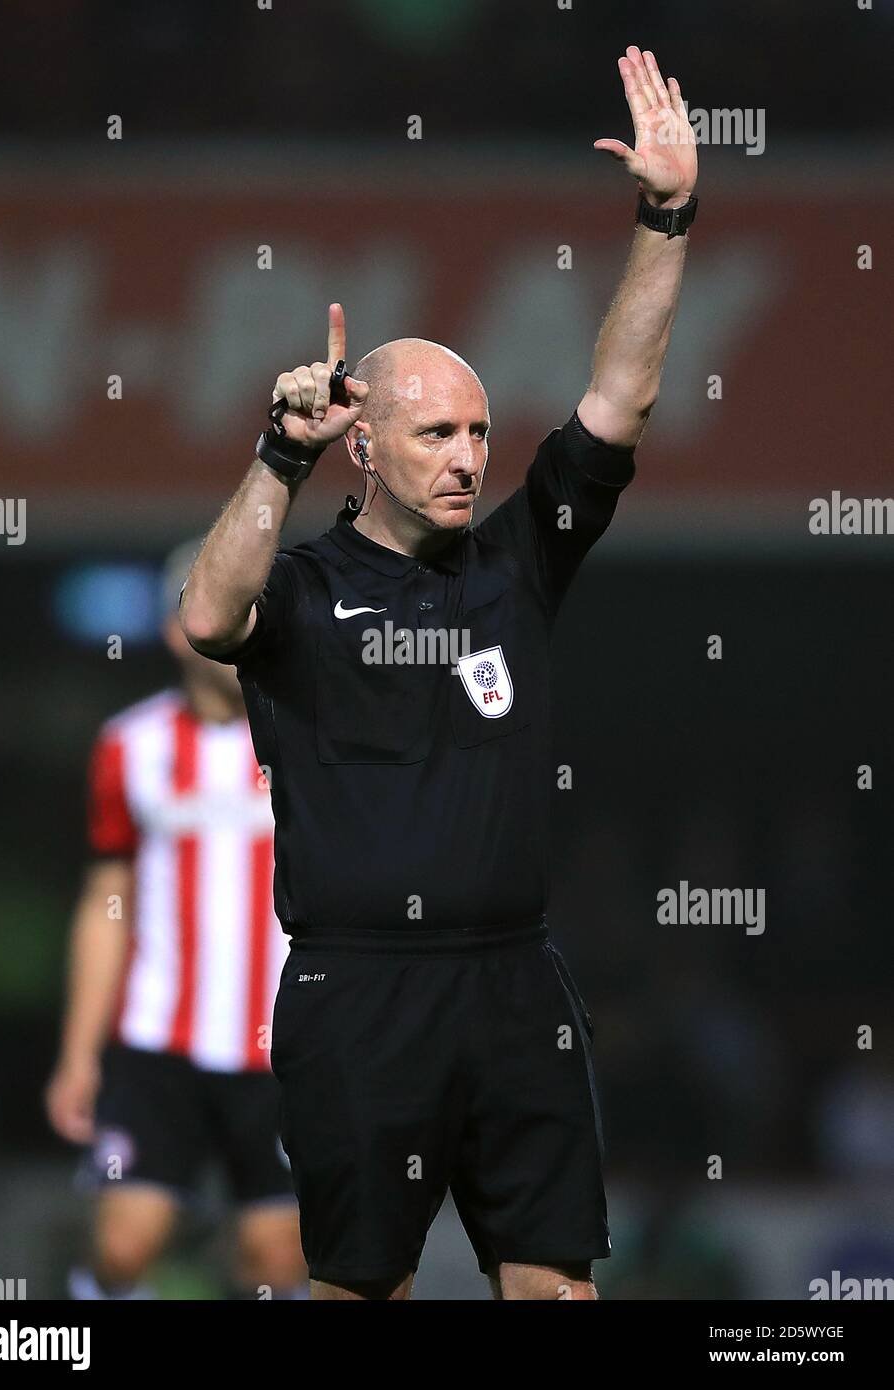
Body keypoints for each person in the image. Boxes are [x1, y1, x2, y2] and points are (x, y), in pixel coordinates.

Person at [179, 46, 697, 1300]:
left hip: (515, 979)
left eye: (477, 431)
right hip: (359, 992)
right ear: (363, 443)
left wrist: (666, 215)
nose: (469, 456)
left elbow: (619, 397)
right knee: (363, 1287)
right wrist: (271, 456)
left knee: (558, 1289)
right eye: (436, 432)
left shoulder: (518, 561)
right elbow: (207, 613)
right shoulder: (301, 589)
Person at [45, 542, 306, 1300]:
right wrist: (78, 1053)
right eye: (220, 607)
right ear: (176, 628)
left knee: (276, 1260)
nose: (238, 626)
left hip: (284, 1048)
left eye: (251, 610)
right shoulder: (131, 745)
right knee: (123, 1246)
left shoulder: (311, 740)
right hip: (158, 1047)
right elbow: (106, 900)